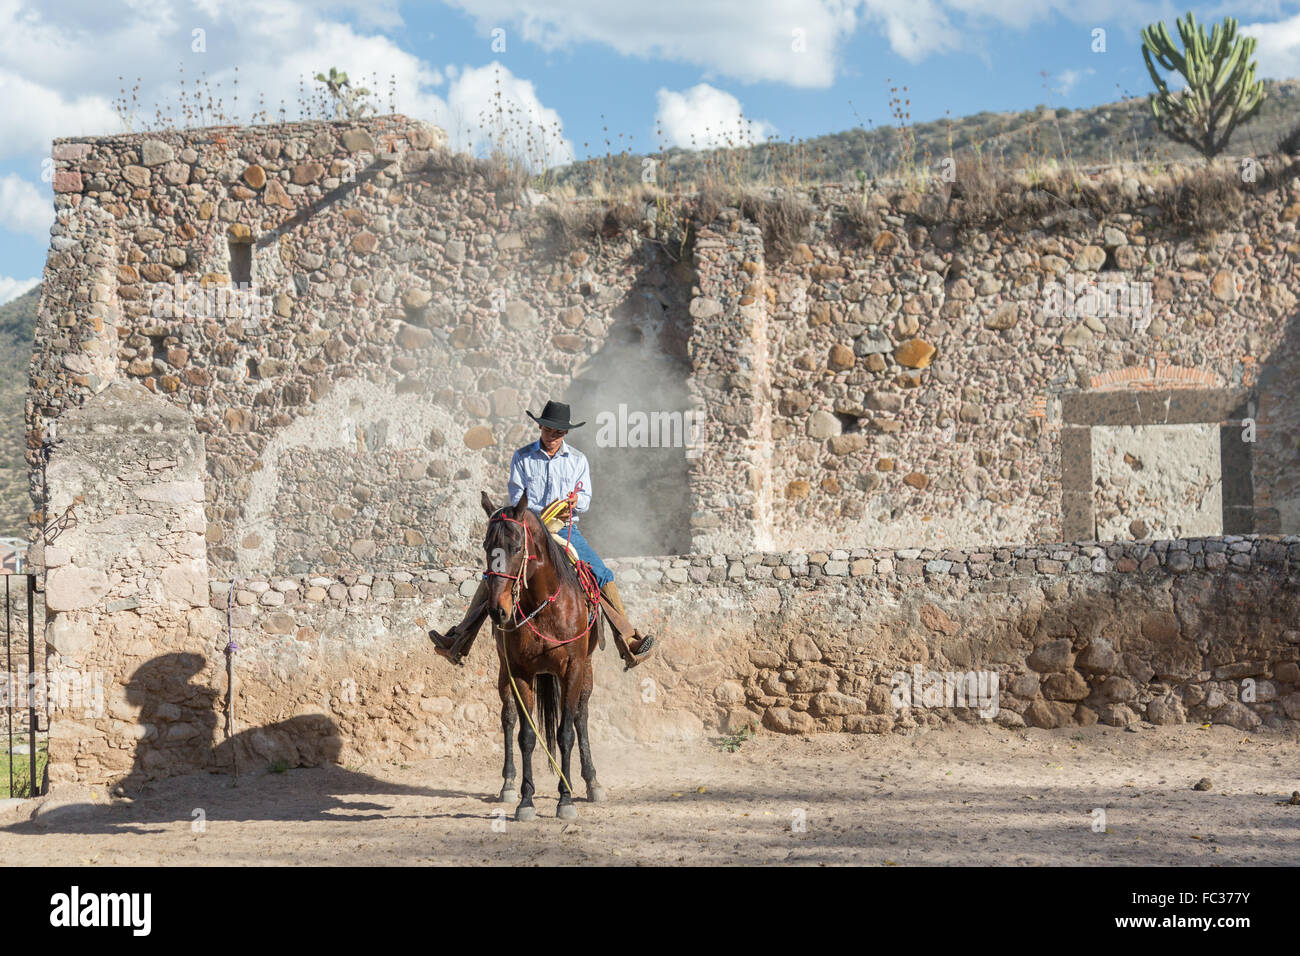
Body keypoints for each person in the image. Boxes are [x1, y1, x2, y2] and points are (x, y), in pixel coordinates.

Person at [428, 400, 656, 669]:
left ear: (566, 434)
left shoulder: (578, 461)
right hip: (530, 530)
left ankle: (626, 638)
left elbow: (585, 498)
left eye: (558, 433)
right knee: (495, 575)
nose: (552, 436)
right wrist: (537, 513)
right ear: (540, 427)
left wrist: (574, 503)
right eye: (549, 430)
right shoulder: (522, 457)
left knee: (602, 574)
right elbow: (516, 496)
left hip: (565, 529)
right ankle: (460, 639)